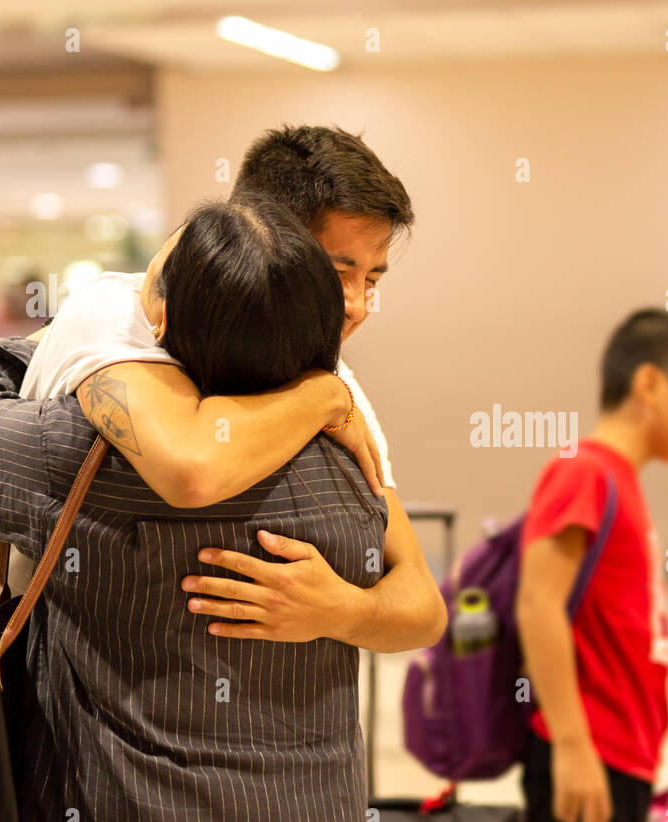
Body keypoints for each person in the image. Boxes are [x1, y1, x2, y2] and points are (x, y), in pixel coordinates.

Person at [0, 196, 398, 822]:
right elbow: (422, 608)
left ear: (161, 316)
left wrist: (61, 355)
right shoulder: (350, 469)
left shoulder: (82, 454)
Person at [54, 125, 445, 653]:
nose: (357, 305)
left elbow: (423, 605)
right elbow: (192, 471)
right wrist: (326, 399)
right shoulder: (113, 312)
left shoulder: (331, 377)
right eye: (337, 271)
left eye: (372, 279)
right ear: (263, 239)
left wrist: (343, 610)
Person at [515, 308, 668, 822]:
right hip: (592, 754)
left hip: (623, 759)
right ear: (651, 383)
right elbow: (538, 605)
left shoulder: (621, 480)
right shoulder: (584, 471)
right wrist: (574, 746)